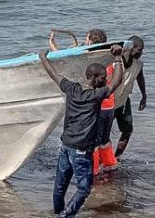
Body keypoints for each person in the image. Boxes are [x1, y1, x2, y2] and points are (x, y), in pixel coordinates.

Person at [39, 46, 124, 218]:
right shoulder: (95, 96)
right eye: (103, 78)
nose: (106, 80)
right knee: (84, 189)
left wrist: (43, 58)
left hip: (65, 145)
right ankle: (64, 216)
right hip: (81, 150)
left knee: (60, 187)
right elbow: (117, 82)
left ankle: (58, 213)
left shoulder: (72, 89)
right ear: (93, 78)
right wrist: (118, 58)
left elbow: (54, 76)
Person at [113, 36, 146, 157]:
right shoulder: (116, 61)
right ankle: (99, 158)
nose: (141, 53)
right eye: (139, 50)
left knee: (127, 131)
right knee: (102, 133)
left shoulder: (138, 65)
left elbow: (140, 78)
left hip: (123, 101)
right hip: (109, 102)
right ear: (131, 48)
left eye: (142, 51)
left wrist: (144, 96)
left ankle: (117, 157)